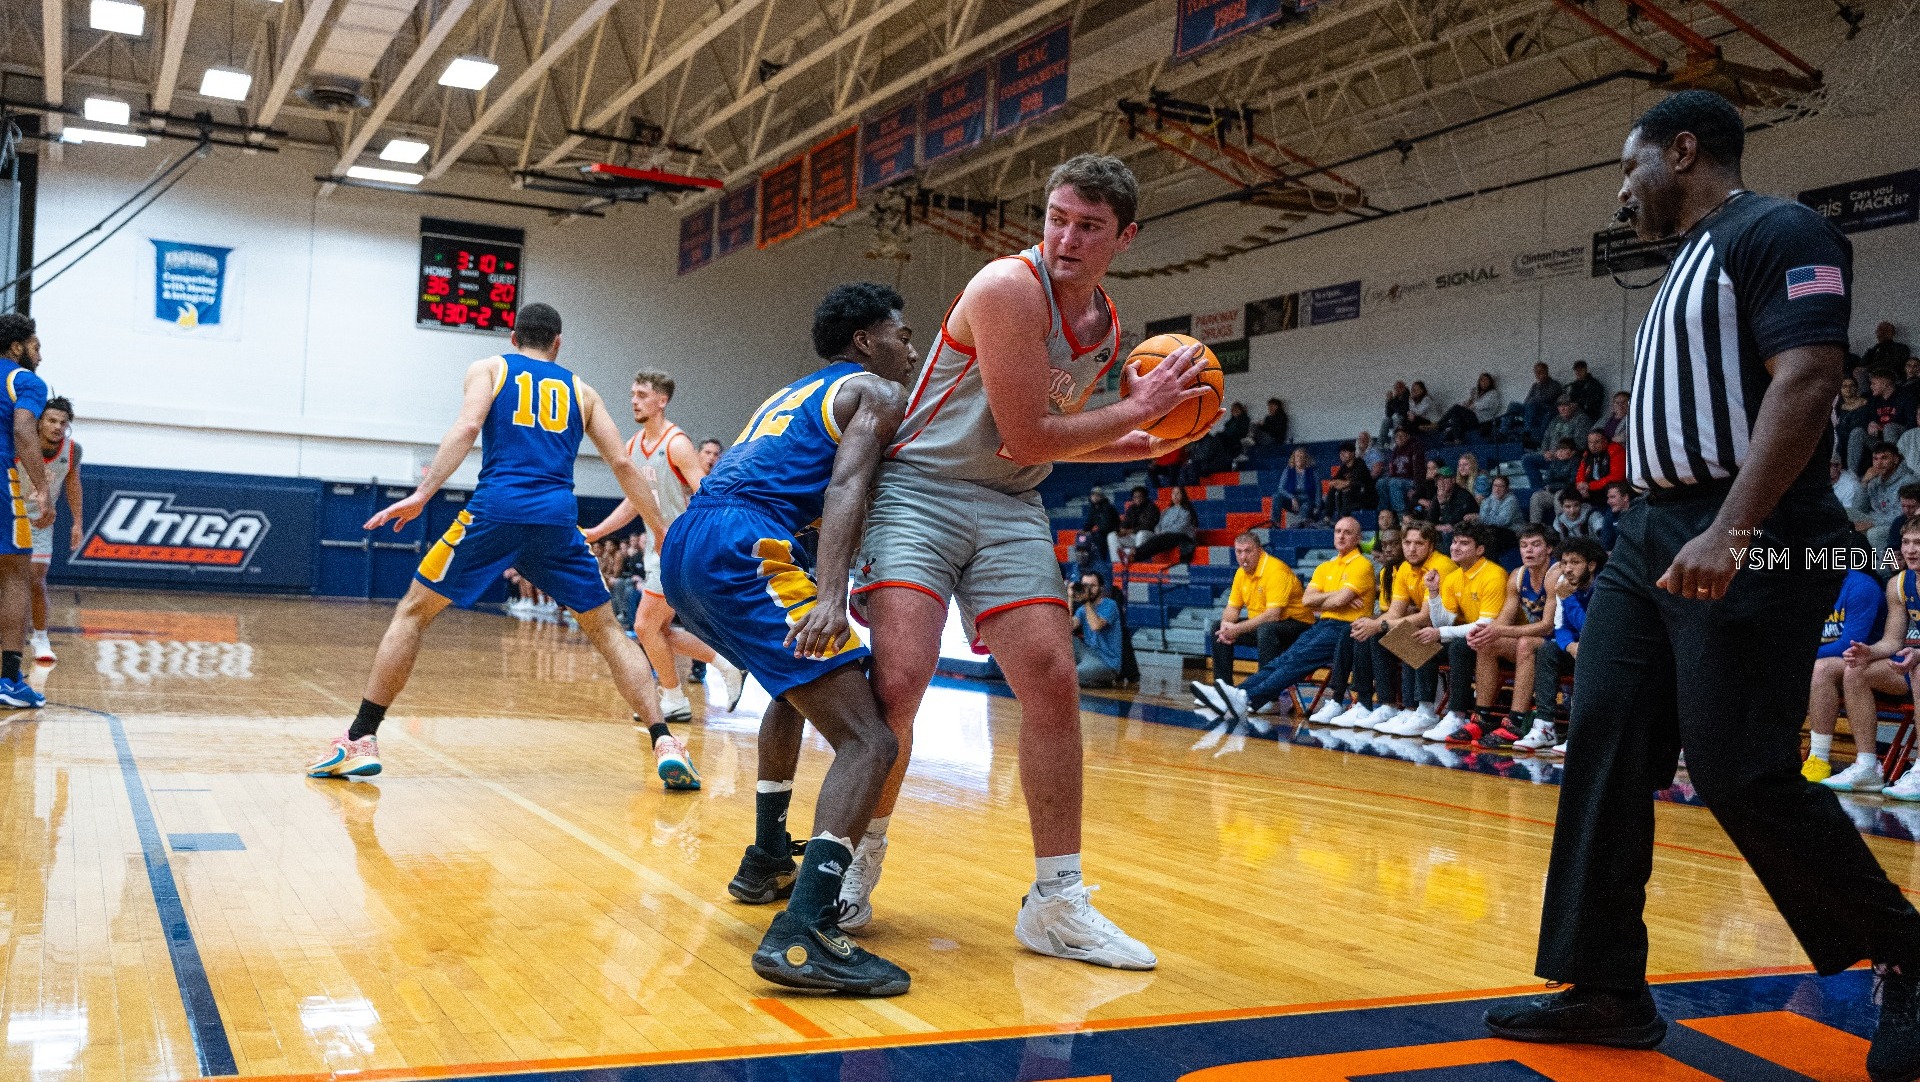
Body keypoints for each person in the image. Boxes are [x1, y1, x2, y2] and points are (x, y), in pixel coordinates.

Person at [1483, 91, 1920, 1079]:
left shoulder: (1779, 229)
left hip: (1756, 525)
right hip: (1649, 533)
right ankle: (1605, 987)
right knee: (1604, 742)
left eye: (1627, 166)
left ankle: (1910, 954)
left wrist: (1735, 528)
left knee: (1738, 768)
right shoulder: (1682, 263)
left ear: (1682, 152)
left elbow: (1807, 379)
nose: (1620, 190)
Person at [848, 154, 1208, 967]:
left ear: (1124, 237)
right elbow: (1027, 432)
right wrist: (1137, 409)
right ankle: (853, 859)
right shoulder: (1008, 287)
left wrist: (1141, 440)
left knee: (1052, 679)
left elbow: (1043, 443)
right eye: (1057, 218)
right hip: (922, 488)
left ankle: (1056, 901)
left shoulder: (1107, 328)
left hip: (1010, 500)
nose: (1067, 238)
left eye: (1089, 226)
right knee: (901, 677)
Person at [304, 303, 700, 790]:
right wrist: (661, 529)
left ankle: (361, 737)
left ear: (514, 338)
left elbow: (468, 428)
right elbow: (621, 463)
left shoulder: (490, 368)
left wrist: (424, 493)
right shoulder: (583, 391)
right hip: (557, 520)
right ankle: (664, 741)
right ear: (558, 343)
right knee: (608, 632)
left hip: (494, 513)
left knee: (412, 613)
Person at [663, 281, 912, 995]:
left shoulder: (793, 392)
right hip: (747, 542)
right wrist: (831, 595)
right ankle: (806, 929)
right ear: (865, 341)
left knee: (794, 685)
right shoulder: (875, 390)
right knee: (870, 741)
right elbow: (846, 487)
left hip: (689, 544)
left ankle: (769, 854)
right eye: (900, 333)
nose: (911, 345)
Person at [585, 371, 746, 722]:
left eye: (642, 395)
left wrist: (696, 541)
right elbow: (634, 502)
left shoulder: (676, 444)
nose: (634, 400)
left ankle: (678, 694)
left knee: (644, 626)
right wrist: (597, 532)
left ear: (662, 401)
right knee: (658, 631)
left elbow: (707, 495)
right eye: (633, 394)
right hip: (656, 551)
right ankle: (722, 667)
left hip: (677, 549)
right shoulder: (633, 446)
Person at [1192, 516, 1375, 726]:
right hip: (1323, 624)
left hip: (1346, 628)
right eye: (1338, 531)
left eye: (1347, 532)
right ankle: (1233, 693)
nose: (1341, 536)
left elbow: (1335, 601)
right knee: (1284, 660)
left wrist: (1332, 599)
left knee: (1295, 660)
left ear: (1358, 538)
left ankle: (1247, 697)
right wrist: (1336, 596)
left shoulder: (1362, 565)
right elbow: (1308, 600)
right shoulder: (1325, 567)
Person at [1827, 524, 1920, 801]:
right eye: (1906, 542)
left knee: (1919, 670)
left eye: (1918, 543)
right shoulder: (1898, 584)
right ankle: (1867, 767)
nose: (1910, 550)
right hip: (1913, 663)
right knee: (1856, 670)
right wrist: (1868, 651)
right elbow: (1892, 641)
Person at [1349, 521, 1456, 735]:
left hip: (1453, 631)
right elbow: (1395, 612)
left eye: (1419, 543)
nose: (1412, 549)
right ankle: (1387, 706)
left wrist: (1380, 624)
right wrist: (1372, 625)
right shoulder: (1405, 568)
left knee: (1409, 635)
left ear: (1431, 545)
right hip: (1430, 630)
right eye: (1407, 543)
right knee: (1372, 635)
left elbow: (1425, 617)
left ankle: (1423, 712)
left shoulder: (1440, 567)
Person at [1463, 525, 1561, 750]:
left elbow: (1547, 627)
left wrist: (1499, 631)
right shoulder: (1518, 575)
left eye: (1535, 545)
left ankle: (1516, 721)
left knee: (1525, 643)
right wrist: (1484, 633)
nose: (1529, 550)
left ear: (1549, 549)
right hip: (1539, 641)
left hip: (1562, 642)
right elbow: (1503, 621)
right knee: (1487, 643)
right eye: (1524, 545)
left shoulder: (1555, 574)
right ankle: (1482, 718)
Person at [0, 313, 54, 708]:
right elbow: (22, 429)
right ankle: (7, 679)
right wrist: (42, 487)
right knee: (15, 573)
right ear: (17, 347)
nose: (40, 355)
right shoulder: (26, 380)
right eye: (35, 346)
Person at [1414, 524, 1510, 744]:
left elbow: (1486, 625)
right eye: (1455, 542)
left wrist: (1440, 632)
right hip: (1473, 637)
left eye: (1464, 543)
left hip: (1498, 640)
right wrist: (1434, 592)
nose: (1455, 547)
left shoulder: (1494, 574)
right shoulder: (1453, 577)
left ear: (1480, 550)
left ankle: (1457, 715)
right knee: (1419, 641)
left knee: (1459, 647)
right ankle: (1424, 711)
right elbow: (1443, 622)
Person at [1803, 550, 1889, 784]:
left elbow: (1849, 644)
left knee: (1820, 669)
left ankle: (1819, 758)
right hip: (1828, 662)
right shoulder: (1806, 587)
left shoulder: (1861, 587)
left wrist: (1797, 655)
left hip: (1870, 661)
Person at [1520, 536, 1607, 756]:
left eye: (1575, 562)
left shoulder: (1604, 587)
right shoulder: (1564, 586)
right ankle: (1545, 726)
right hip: (1579, 648)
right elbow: (1560, 627)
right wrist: (1569, 646)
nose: (1567, 569)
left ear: (1591, 565)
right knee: (1547, 649)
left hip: (1605, 650)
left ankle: (1580, 734)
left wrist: (1568, 599)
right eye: (1564, 563)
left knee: (1590, 655)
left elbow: (1594, 630)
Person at [1209, 532, 1313, 685]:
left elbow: (1273, 615)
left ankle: (1265, 690)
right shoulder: (1241, 573)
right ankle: (1223, 687)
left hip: (1299, 627)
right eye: (1239, 551)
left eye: (1248, 551)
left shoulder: (1276, 571)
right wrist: (1226, 626)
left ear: (1259, 550)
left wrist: (1237, 629)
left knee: (1267, 629)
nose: (1243, 557)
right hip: (1266, 626)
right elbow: (1232, 608)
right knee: (1218, 628)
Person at [22, 396, 80, 664]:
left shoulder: (72, 451)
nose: (57, 426)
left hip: (41, 521)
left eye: (63, 422)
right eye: (52, 420)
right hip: (10, 515)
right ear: (39, 422)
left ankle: (41, 637)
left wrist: (77, 522)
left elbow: (73, 485)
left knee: (37, 580)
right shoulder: (19, 442)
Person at [1852, 443, 1918, 551]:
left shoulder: (1908, 481)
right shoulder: (1874, 480)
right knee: (1847, 514)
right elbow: (1858, 508)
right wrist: (1864, 483)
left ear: (1895, 459)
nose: (1879, 463)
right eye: (1875, 459)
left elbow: (1902, 515)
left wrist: (1872, 523)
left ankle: (1887, 561)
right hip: (1876, 519)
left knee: (1874, 533)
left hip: (1902, 524)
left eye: (1884, 458)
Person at [1071, 570, 1123, 688]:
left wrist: (1086, 601)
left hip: (1107, 663)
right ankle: (1092, 679)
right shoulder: (1082, 609)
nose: (1088, 589)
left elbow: (1096, 626)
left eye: (1092, 586)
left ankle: (1096, 679)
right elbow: (1067, 628)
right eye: (1085, 585)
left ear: (1101, 588)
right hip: (1089, 654)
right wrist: (1069, 598)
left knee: (1069, 676)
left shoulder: (1110, 605)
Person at [1132, 486, 1197, 563]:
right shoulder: (1167, 510)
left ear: (1183, 495)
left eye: (1178, 493)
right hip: (1166, 536)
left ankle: (1135, 554)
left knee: (1160, 540)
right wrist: (1159, 532)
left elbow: (1180, 528)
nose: (1175, 495)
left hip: (1182, 536)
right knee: (1153, 539)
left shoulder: (1186, 511)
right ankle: (1134, 557)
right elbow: (1158, 525)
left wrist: (1163, 532)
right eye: (1173, 493)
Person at [1528, 440, 1581, 523]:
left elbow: (1571, 483)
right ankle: (1535, 526)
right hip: (1553, 491)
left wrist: (1552, 486)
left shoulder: (1576, 463)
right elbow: (1546, 480)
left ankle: (1562, 526)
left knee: (1559, 496)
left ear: (1572, 452)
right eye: (1558, 450)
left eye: (1563, 450)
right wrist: (1551, 486)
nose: (1560, 452)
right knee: (1536, 496)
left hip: (1568, 493)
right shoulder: (1555, 463)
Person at [1440, 373, 1503, 443]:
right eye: (1482, 380)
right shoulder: (1476, 394)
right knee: (1456, 416)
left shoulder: (1493, 393)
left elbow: (1484, 405)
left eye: (1486, 380)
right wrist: (1468, 400)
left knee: (1456, 407)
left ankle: (1439, 424)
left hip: (1482, 421)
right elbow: (1465, 404)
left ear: (1490, 382)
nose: (1484, 382)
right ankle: (1457, 439)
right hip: (1472, 419)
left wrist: (1471, 405)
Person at [1325, 440, 1377, 519]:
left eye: (1345, 452)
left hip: (1365, 496)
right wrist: (1340, 483)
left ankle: (1344, 518)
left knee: (1347, 489)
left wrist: (1343, 484)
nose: (1342, 455)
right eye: (1340, 453)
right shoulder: (1344, 467)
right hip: (1352, 494)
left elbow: (1354, 482)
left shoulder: (1360, 464)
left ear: (1352, 453)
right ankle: (1327, 518)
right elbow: (1332, 482)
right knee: (1333, 490)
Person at [1109, 485, 1159, 562]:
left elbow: (1148, 526)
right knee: (1112, 535)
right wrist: (1121, 530)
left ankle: (1137, 560)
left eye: (1140, 496)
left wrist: (1130, 531)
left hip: (1149, 535)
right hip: (1133, 536)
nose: (1137, 499)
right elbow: (1126, 522)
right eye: (1135, 497)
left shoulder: (1152, 507)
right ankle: (1118, 562)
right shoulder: (1131, 508)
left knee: (1141, 534)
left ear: (1145, 497)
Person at [1575, 428, 1625, 502]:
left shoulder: (1615, 450)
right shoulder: (1587, 453)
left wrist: (1590, 486)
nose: (1593, 446)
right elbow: (1580, 472)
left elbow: (1617, 477)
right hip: (1591, 487)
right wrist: (1580, 485)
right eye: (1590, 442)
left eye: (1597, 442)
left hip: (1608, 487)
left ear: (1605, 441)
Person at [1837, 376, 1874, 474]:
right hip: (1843, 445)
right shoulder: (1838, 409)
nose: (1848, 389)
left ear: (1856, 387)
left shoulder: (1866, 403)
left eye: (1851, 385)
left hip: (1864, 440)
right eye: (1844, 386)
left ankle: (1851, 474)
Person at [1274, 447, 1321, 525]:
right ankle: (1276, 523)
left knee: (1305, 507)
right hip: (1292, 501)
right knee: (1276, 496)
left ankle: (1301, 525)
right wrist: (1292, 497)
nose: (1299, 458)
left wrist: (1317, 507)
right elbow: (1280, 488)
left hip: (1307, 501)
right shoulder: (1287, 471)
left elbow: (1318, 491)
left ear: (1306, 459)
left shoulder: (1313, 473)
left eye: (1302, 457)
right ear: (1294, 459)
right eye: (1297, 456)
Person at [1522, 363, 1565, 446]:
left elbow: (1545, 399)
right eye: (1536, 372)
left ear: (1546, 372)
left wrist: (1539, 386)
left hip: (1547, 409)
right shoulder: (1534, 386)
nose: (1538, 374)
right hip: (1533, 409)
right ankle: (1502, 433)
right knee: (1514, 405)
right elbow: (1526, 400)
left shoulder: (1554, 384)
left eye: (1540, 371)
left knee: (1532, 404)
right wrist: (1532, 400)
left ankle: (1528, 434)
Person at [1081, 486, 1120, 560]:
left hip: (1113, 531)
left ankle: (1102, 560)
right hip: (1102, 531)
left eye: (1097, 495)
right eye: (1093, 495)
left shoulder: (1107, 507)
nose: (1095, 497)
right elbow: (1089, 522)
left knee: (1098, 536)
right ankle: (1086, 561)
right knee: (1081, 536)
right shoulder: (1093, 508)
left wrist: (1091, 532)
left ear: (1102, 497)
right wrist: (1084, 530)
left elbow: (1107, 525)